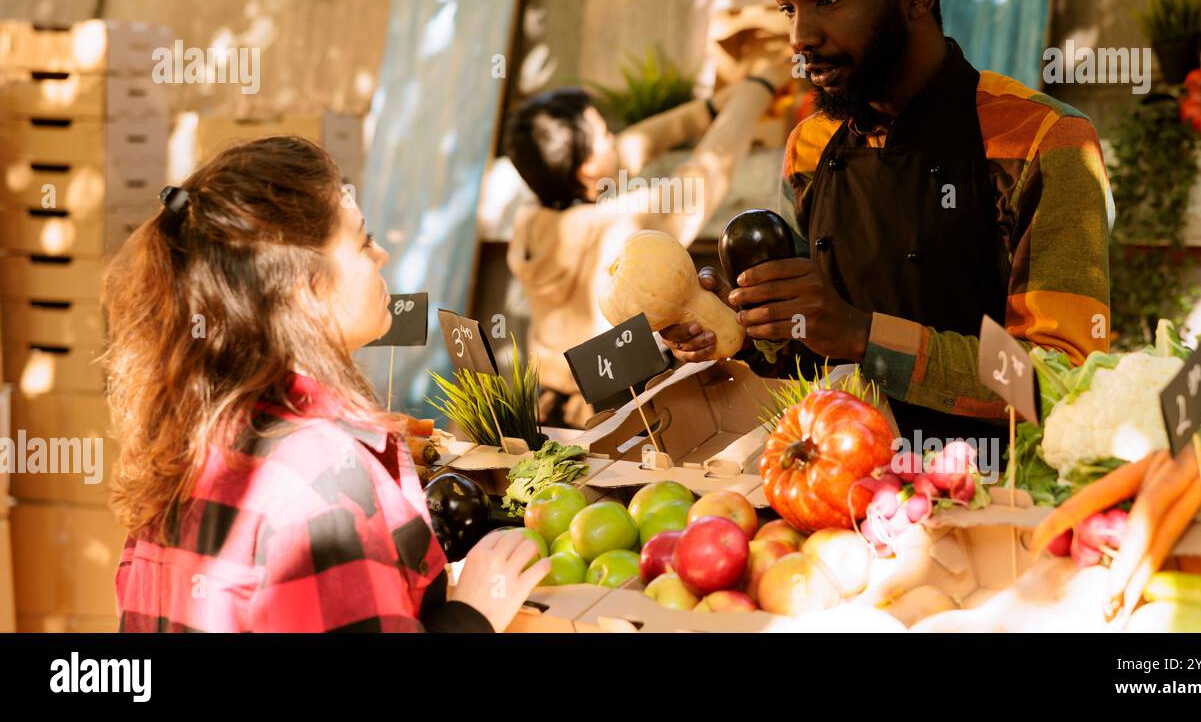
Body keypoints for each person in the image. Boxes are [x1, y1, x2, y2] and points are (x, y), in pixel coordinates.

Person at [663, 0, 1113, 456]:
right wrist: (741, 328)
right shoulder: (810, 146)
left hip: (991, 506)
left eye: (827, 0)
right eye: (787, 7)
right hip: (832, 495)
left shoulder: (1044, 141)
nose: (799, 37)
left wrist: (861, 334)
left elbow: (1054, 382)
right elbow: (801, 357)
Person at [105, 136, 549, 632]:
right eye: (362, 240)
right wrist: (474, 613)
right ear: (305, 289)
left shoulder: (186, 444)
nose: (380, 253)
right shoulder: (322, 475)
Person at [505, 66, 779, 427]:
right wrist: (758, 88)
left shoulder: (530, 224)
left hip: (548, 403)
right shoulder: (616, 224)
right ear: (587, 168)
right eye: (604, 133)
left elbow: (630, 147)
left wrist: (708, 109)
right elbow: (705, 174)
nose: (614, 139)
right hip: (620, 408)